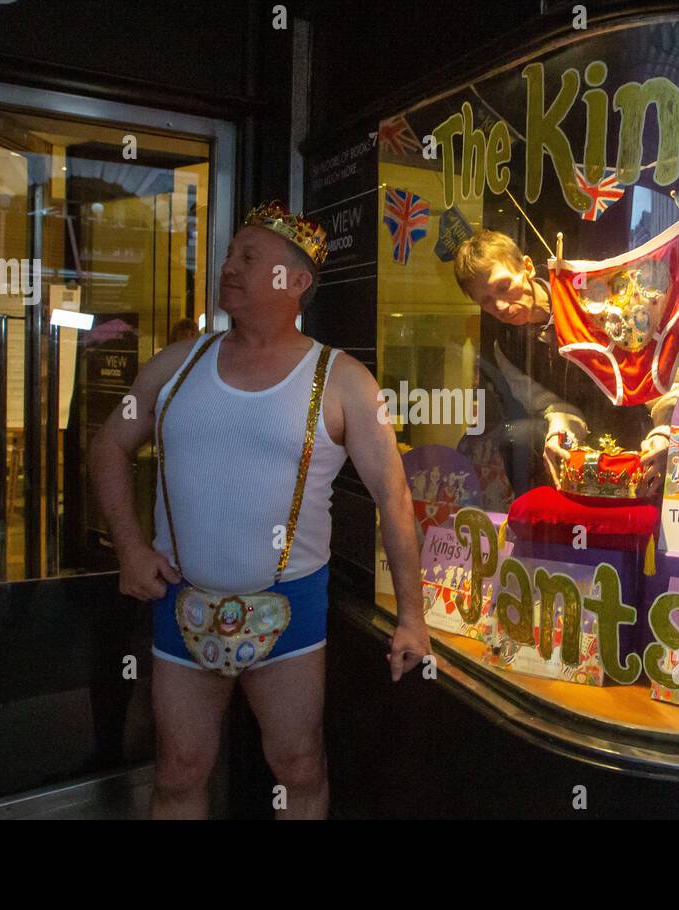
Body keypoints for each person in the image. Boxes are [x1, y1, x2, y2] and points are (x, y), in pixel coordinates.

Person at [90, 201, 430, 820]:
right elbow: (110, 443)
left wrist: (413, 615)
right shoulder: (177, 364)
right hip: (181, 603)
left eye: (249, 256)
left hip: (292, 609)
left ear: (295, 281)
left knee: (298, 765)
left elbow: (394, 496)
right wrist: (131, 548)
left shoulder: (344, 380)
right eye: (228, 254)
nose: (229, 267)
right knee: (178, 769)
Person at [453, 230, 679, 499]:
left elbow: (661, 379)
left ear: (526, 267)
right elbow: (553, 406)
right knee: (520, 437)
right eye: (487, 301)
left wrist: (666, 432)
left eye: (504, 287)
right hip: (582, 449)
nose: (501, 306)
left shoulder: (591, 298)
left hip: (641, 436)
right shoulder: (507, 348)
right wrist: (558, 434)